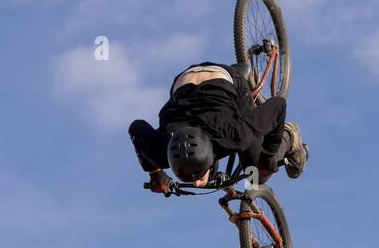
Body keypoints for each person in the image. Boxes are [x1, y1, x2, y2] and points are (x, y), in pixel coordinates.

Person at [129, 61, 308, 193]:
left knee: (255, 174)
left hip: (222, 81)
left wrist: (268, 155)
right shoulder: (160, 151)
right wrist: (155, 173)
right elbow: (135, 128)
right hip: (186, 80)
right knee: (218, 106)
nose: (197, 184)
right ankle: (238, 68)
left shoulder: (234, 134)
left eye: (198, 177)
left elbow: (278, 105)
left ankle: (290, 137)